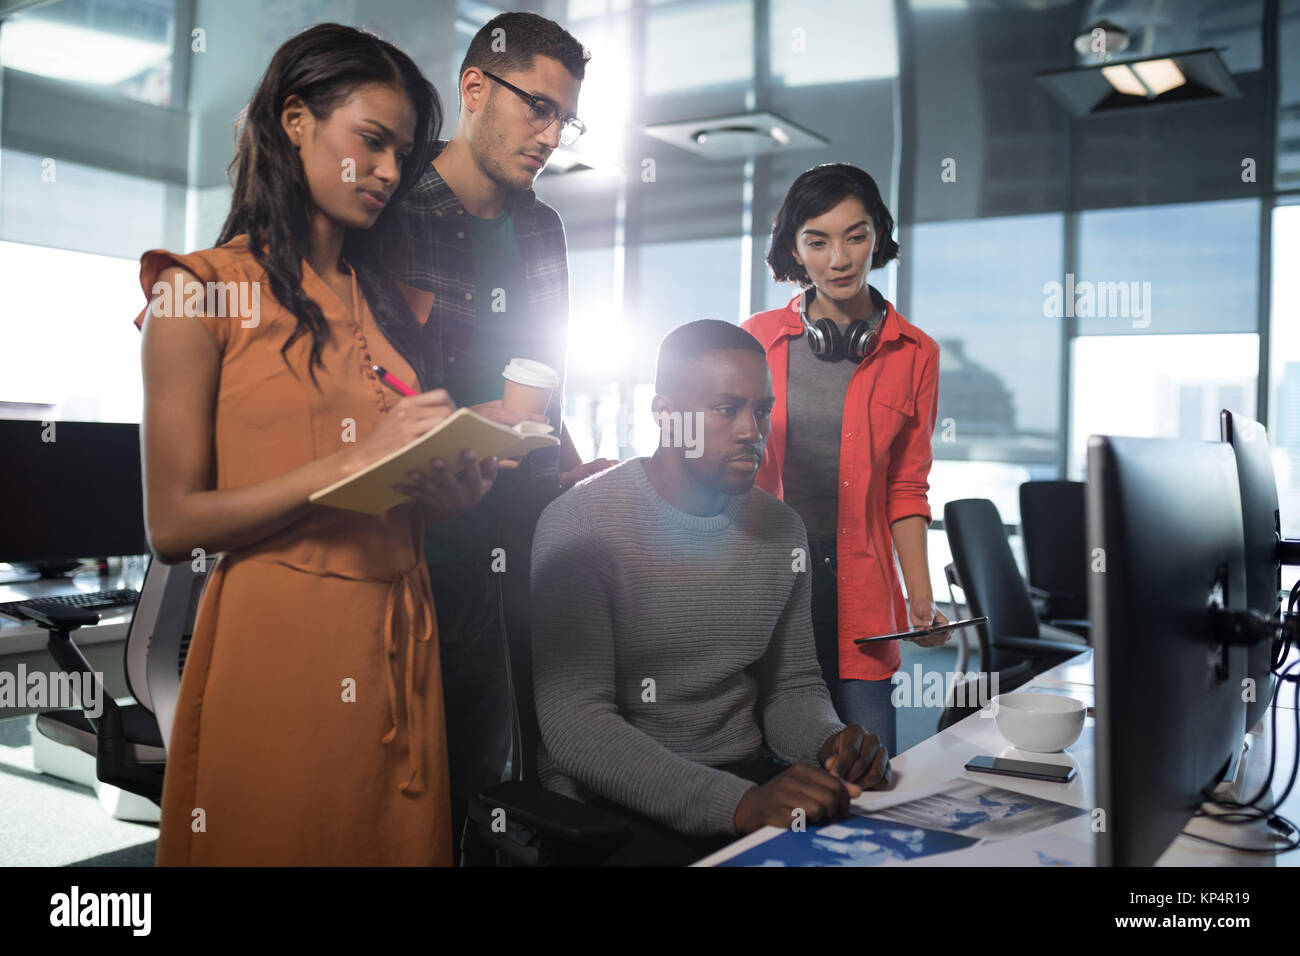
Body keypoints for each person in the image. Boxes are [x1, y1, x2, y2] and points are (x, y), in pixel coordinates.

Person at [135, 23, 534, 865]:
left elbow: (394, 474)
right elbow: (173, 523)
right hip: (280, 642)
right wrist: (352, 461)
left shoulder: (389, 305)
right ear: (295, 122)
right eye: (372, 142)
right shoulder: (197, 291)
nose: (391, 171)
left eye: (403, 151)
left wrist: (451, 485)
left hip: (400, 641)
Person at [531, 320, 892, 866]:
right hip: (611, 802)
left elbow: (790, 686)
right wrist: (739, 804)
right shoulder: (581, 524)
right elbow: (576, 724)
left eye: (762, 410)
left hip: (745, 777)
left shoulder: (782, 529)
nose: (752, 430)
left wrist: (829, 742)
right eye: (727, 409)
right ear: (665, 415)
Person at [399, 10, 614, 857]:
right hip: (414, 550)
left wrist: (569, 463)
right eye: (538, 107)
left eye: (566, 118)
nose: (552, 134)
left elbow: (543, 381)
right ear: (476, 88)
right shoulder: (394, 210)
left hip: (512, 549)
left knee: (479, 792)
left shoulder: (542, 228)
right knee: (400, 798)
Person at [741, 163, 948, 757]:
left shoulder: (917, 353)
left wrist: (920, 597)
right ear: (795, 249)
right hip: (769, 580)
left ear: (877, 237)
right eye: (817, 240)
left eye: (855, 235)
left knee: (870, 763)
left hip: (861, 588)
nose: (839, 258)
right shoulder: (753, 338)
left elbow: (907, 487)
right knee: (780, 768)